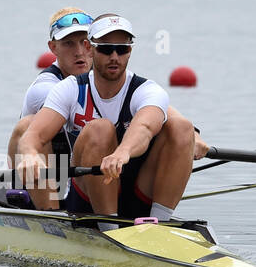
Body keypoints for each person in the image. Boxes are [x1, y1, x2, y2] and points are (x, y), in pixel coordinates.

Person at [17, 14, 196, 226]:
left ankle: (161, 225)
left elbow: (146, 127)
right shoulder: (69, 89)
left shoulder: (147, 90)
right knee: (100, 129)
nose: (114, 56)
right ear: (90, 48)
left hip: (137, 193)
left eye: (122, 49)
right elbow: (33, 135)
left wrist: (122, 152)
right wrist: (29, 154)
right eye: (105, 48)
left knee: (184, 128)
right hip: (87, 200)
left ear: (130, 50)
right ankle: (108, 227)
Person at [7, 7, 94, 209]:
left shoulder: (108, 80)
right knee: (28, 125)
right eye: (68, 44)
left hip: (77, 173)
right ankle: (50, 216)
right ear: (53, 48)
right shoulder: (44, 88)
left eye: (84, 42)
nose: (79, 52)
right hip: (36, 176)